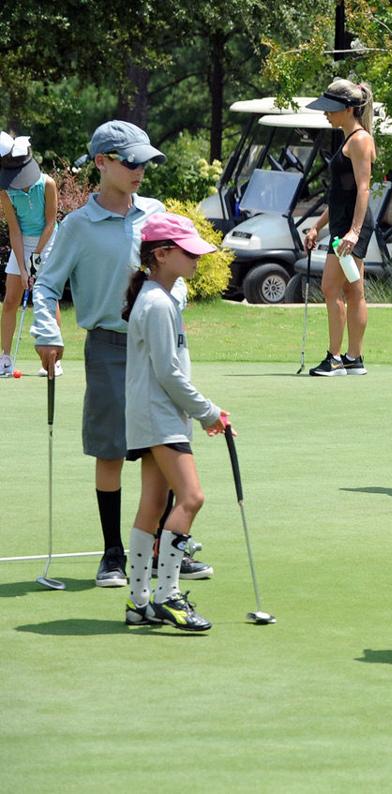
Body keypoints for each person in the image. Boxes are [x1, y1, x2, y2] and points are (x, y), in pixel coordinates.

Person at [32, 120, 212, 587]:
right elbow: (47, 285)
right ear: (102, 163)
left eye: (145, 163)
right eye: (130, 162)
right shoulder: (77, 226)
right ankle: (113, 553)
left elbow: (179, 274)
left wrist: (175, 305)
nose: (140, 171)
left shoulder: (155, 214)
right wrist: (47, 332)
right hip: (110, 346)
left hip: (160, 344)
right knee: (111, 449)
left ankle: (158, 546)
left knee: (164, 446)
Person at [121, 213, 226, 631]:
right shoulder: (157, 303)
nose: (197, 259)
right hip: (159, 416)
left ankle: (138, 602)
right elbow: (169, 372)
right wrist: (209, 412)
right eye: (189, 252)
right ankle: (167, 597)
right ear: (162, 255)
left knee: (152, 504)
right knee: (191, 498)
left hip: (155, 415)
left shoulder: (157, 297)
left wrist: (200, 412)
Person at [304, 79, 377, 376]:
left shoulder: (359, 140)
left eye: (331, 110)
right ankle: (353, 359)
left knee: (331, 287)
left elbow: (363, 190)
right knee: (352, 290)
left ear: (348, 109)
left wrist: (354, 232)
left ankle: (335, 358)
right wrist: (317, 227)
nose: (326, 115)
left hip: (351, 228)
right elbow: (340, 195)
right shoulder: (349, 140)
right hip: (343, 225)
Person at [0, 131, 60, 378]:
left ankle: (53, 360)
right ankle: (5, 359)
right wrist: (24, 269)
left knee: (47, 299)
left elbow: (50, 222)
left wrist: (36, 258)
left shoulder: (47, 184)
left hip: (48, 241)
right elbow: (14, 229)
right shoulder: (5, 191)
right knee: (11, 300)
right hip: (21, 242)